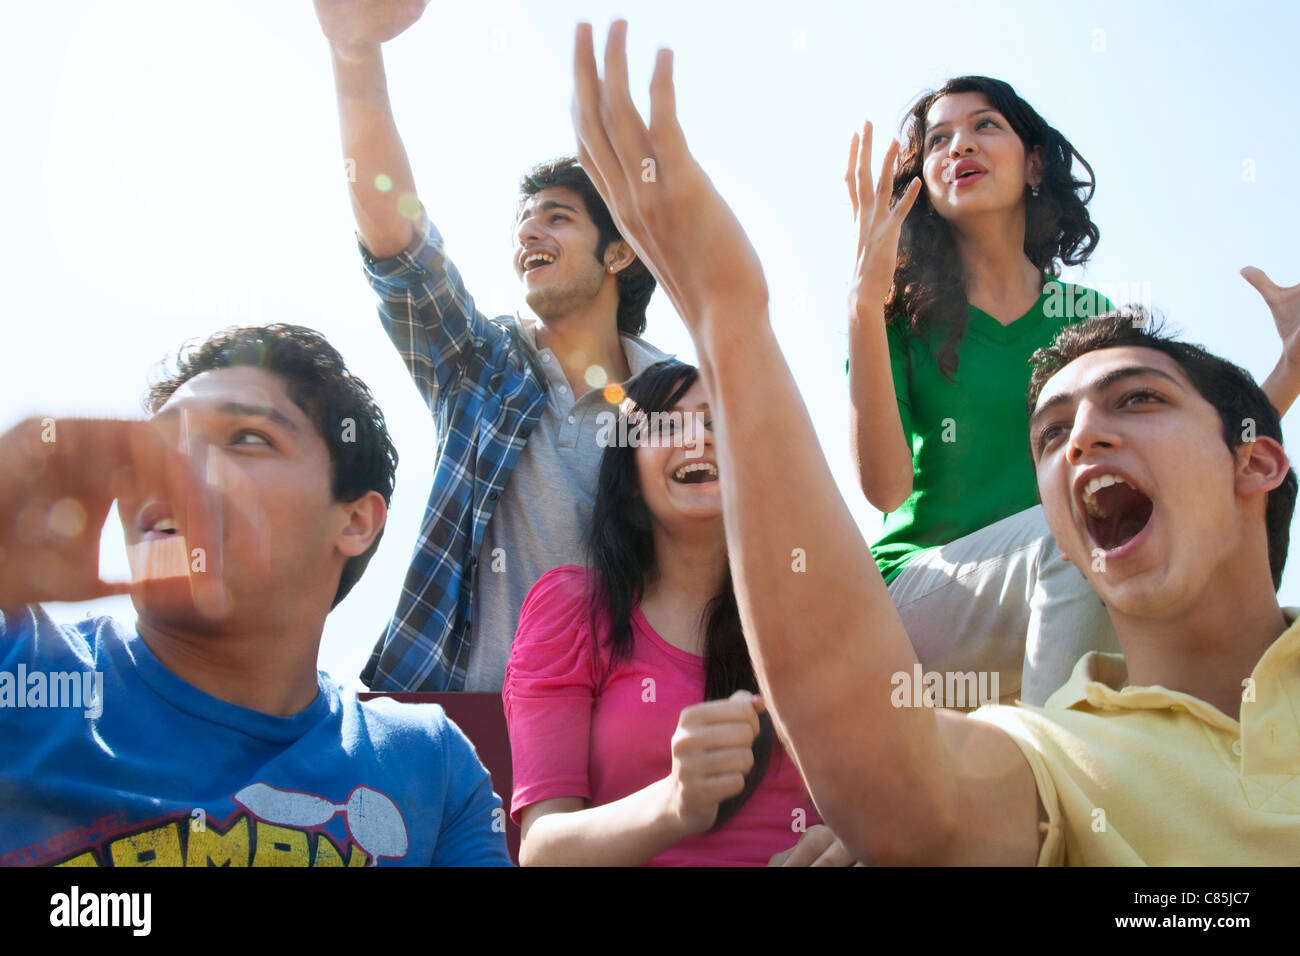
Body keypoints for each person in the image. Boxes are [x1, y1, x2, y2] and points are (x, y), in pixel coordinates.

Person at [570, 23, 1300, 863]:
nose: (959, 145)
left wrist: (1285, 371)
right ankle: (1072, 788)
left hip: (1042, 615)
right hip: (915, 605)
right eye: (937, 139)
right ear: (919, 183)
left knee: (1125, 553)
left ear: (1033, 162)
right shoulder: (900, 316)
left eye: (984, 125)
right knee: (1074, 553)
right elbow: (882, 488)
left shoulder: (1086, 325)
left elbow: (1194, 461)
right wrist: (860, 304)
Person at [0, 325, 510, 867]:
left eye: (247, 437)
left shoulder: (428, 762)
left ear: (356, 521)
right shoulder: (21, 669)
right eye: (156, 444)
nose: (172, 468)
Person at [314, 0, 672, 693]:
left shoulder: (676, 398)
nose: (529, 235)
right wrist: (354, 54)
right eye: (524, 223)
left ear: (620, 252)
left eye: (557, 219)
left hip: (622, 731)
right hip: (454, 718)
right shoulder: (478, 364)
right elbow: (396, 237)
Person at [502, 361, 824, 866]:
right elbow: (542, 851)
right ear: (630, 478)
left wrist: (852, 838)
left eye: (716, 422)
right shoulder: (574, 611)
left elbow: (894, 792)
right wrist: (673, 803)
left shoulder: (815, 610)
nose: (697, 437)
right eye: (667, 425)